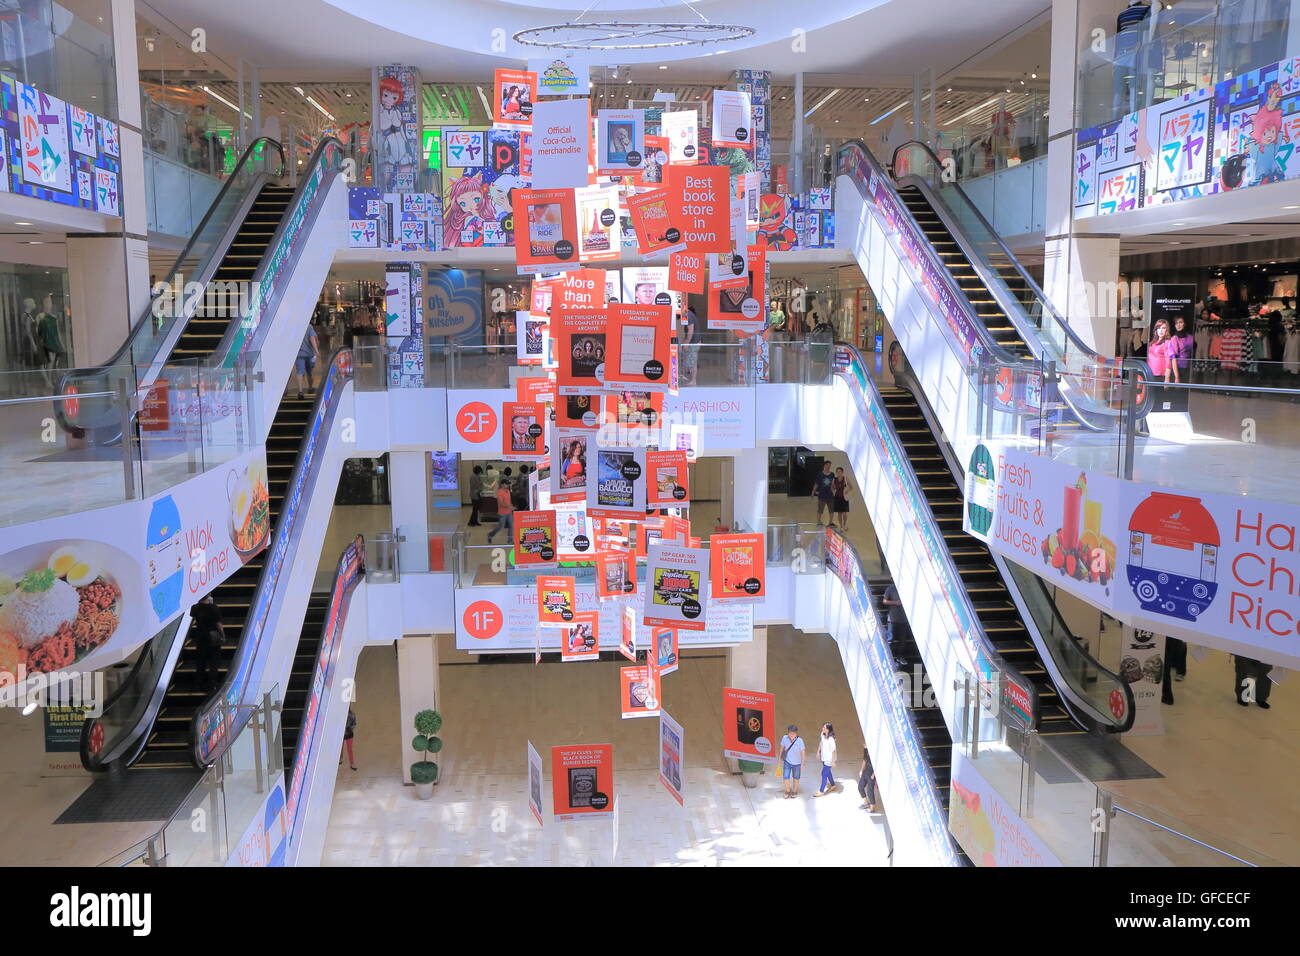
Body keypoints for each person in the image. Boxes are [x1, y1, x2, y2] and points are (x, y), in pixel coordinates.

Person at [189, 595, 224, 692]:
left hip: (200, 637)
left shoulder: (195, 607)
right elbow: (219, 624)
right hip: (213, 638)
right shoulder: (213, 608)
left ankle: (198, 684)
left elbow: (193, 616)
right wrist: (222, 635)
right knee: (214, 661)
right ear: (208, 596)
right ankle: (212, 684)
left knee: (201, 662)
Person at [882, 582, 910, 668]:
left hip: (904, 619)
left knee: (902, 640)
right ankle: (887, 657)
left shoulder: (908, 587)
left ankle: (899, 657)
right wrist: (895, 602)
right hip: (893, 619)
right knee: (890, 638)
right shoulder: (891, 588)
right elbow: (884, 601)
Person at [36, 295, 66, 369]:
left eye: (50, 302)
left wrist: (62, 344)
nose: (49, 304)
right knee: (48, 361)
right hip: (45, 342)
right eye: (47, 302)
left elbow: (57, 332)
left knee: (52, 362)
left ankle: (50, 378)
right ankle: (48, 379)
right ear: (43, 303)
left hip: (53, 342)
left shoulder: (54, 318)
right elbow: (36, 330)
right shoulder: (40, 316)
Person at [779, 724, 806, 798]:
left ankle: (795, 791)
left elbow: (803, 752)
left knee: (796, 777)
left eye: (793, 733)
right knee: (785, 776)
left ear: (796, 733)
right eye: (790, 733)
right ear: (788, 732)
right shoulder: (784, 738)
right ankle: (787, 791)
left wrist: (802, 764)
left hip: (797, 763)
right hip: (787, 761)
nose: (791, 735)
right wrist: (779, 758)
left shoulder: (800, 741)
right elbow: (782, 748)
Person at [486, 475, 515, 543]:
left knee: (511, 526)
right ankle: (490, 535)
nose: (507, 485)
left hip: (509, 512)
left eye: (508, 484)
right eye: (506, 484)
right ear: (502, 484)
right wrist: (510, 507)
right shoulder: (499, 492)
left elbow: (509, 501)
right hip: (502, 513)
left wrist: (511, 506)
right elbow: (502, 503)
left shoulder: (508, 491)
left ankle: (510, 540)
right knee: (500, 527)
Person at [295, 321, 320, 399]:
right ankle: (310, 387)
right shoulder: (309, 327)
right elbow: (312, 338)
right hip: (309, 354)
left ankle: (300, 391)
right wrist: (316, 350)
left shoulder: (295, 327)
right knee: (309, 372)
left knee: (299, 371)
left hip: (298, 353)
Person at [814, 722, 839, 796]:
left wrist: (833, 761)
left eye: (824, 728)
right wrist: (818, 752)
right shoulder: (822, 734)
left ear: (828, 730)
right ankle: (833, 785)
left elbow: (833, 751)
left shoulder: (831, 739)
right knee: (828, 772)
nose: (822, 729)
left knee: (824, 774)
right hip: (824, 757)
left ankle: (821, 791)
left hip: (829, 759)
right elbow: (821, 742)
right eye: (823, 727)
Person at [1169, 316, 1194, 384]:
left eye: (1180, 322)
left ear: (1184, 324)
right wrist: (1177, 377)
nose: (1178, 325)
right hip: (1177, 369)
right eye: (1176, 323)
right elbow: (1173, 359)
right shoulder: (1173, 339)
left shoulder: (1191, 337)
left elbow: (1193, 353)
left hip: (1188, 368)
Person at [1147, 318, 1173, 383]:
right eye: (1158, 328)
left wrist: (1167, 379)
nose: (1160, 330)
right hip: (1149, 374)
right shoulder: (1152, 343)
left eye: (1163, 328)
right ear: (1156, 330)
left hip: (1160, 376)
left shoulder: (1167, 342)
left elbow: (1168, 362)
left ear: (1166, 330)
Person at [811, 460, 835, 526]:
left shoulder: (832, 474)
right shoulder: (820, 474)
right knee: (820, 510)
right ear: (824, 465)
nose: (828, 467)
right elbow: (816, 483)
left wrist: (835, 489)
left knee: (831, 509)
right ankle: (819, 521)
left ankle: (830, 522)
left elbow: (833, 484)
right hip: (822, 495)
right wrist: (813, 492)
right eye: (827, 465)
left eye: (829, 465)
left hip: (830, 495)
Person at [682, 305, 701, 385]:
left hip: (694, 342)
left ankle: (693, 381)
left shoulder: (688, 315)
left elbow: (691, 330)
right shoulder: (688, 314)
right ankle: (691, 379)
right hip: (694, 341)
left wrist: (687, 342)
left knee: (692, 362)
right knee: (692, 361)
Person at [831, 466, 852, 530]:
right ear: (836, 472)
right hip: (837, 497)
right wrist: (833, 492)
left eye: (840, 472)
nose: (838, 473)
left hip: (844, 497)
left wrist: (847, 491)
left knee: (844, 513)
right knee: (839, 513)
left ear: (842, 472)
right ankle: (841, 526)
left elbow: (851, 487)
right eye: (837, 472)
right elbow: (832, 487)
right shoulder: (834, 479)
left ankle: (845, 524)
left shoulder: (845, 478)